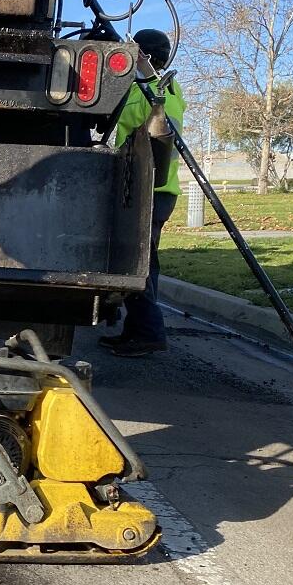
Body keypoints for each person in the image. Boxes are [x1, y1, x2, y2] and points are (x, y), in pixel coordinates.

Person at [100, 28, 186, 357]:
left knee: (139, 264)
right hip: (156, 190)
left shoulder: (150, 92)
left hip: (149, 190)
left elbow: (119, 116)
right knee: (146, 262)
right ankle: (136, 330)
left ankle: (149, 331)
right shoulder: (166, 88)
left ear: (143, 56)